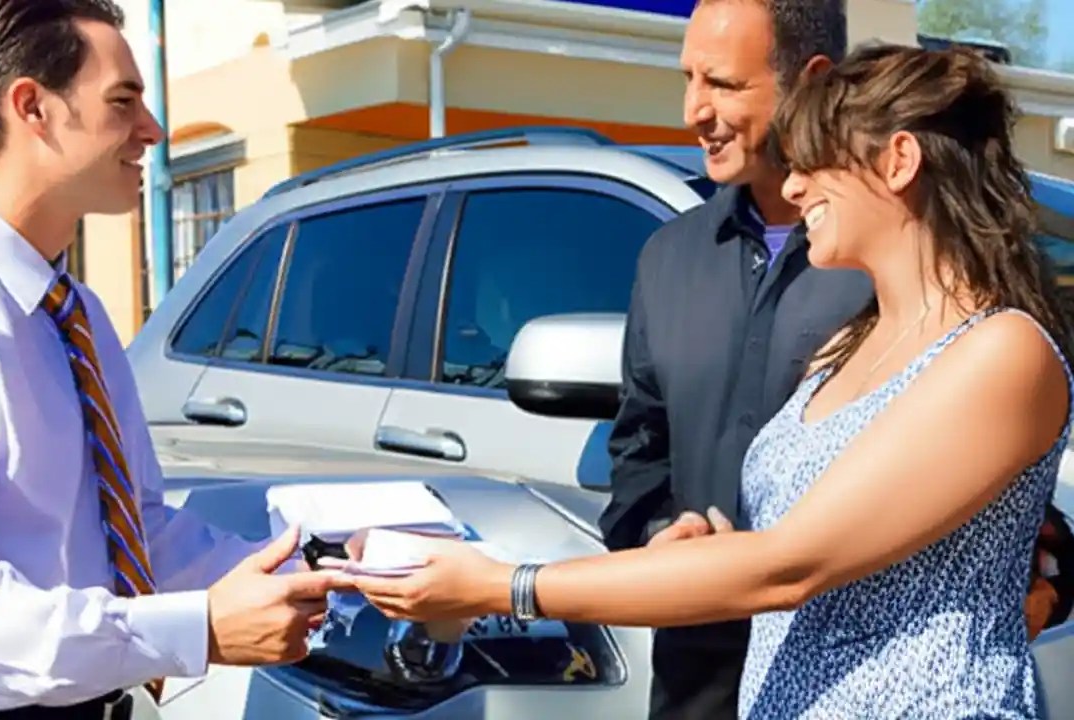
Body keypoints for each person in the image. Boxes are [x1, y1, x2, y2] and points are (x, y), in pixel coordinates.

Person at [353, 43, 1074, 719]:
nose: (792, 186)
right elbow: (792, 548)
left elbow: (788, 567)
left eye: (813, 163)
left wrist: (502, 586)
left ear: (899, 162)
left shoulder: (999, 351)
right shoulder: (844, 350)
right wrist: (702, 547)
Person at [0, 1, 351, 718]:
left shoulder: (75, 313)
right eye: (123, 101)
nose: (151, 129)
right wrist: (196, 628)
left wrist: (319, 568)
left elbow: (133, 530)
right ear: (32, 107)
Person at [599, 1, 871, 717]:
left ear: (812, 80)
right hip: (699, 681)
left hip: (856, 677)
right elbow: (638, 452)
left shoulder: (896, 250)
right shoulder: (667, 258)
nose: (694, 109)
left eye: (722, 83)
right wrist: (663, 539)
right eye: (687, 78)